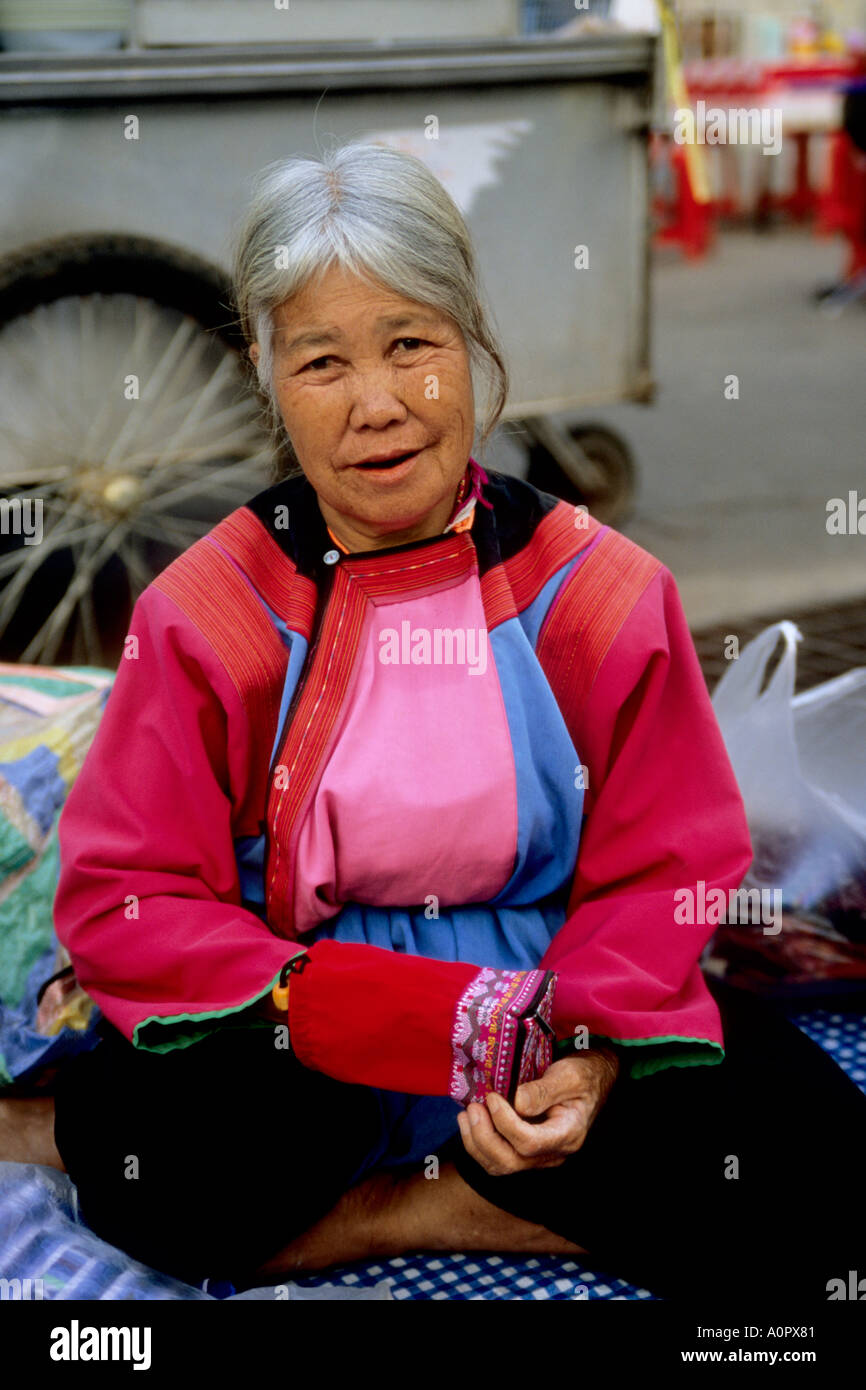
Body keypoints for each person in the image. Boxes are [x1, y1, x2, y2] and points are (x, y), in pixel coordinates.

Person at [40, 143, 865, 1299]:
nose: (376, 405)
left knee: (818, 1161)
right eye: (321, 360)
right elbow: (130, 894)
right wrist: (337, 1007)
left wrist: (585, 1051)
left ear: (472, 344)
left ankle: (450, 1191)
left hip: (550, 1000)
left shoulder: (597, 591)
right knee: (149, 1156)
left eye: (411, 346)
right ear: (268, 374)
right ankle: (412, 1210)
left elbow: (668, 864)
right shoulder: (206, 616)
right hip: (304, 1028)